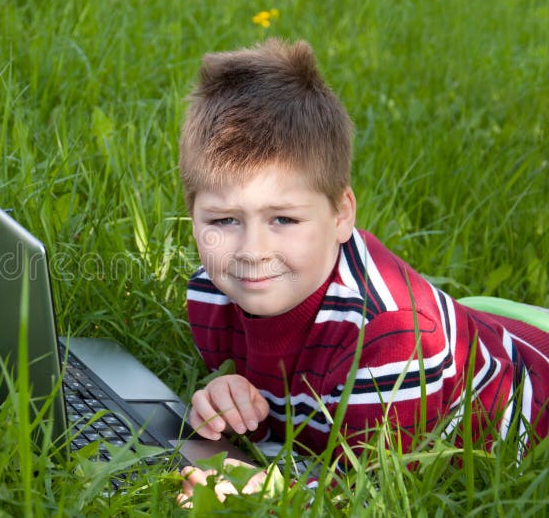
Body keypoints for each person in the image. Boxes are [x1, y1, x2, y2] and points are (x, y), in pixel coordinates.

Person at [175, 37, 549, 503]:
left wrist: (268, 493)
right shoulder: (211, 295)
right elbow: (297, 408)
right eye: (223, 220)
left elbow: (378, 495)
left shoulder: (391, 341)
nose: (252, 250)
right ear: (192, 216)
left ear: (341, 214)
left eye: (284, 219)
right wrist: (234, 398)